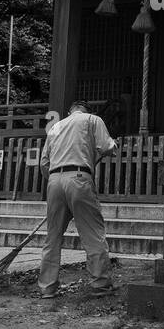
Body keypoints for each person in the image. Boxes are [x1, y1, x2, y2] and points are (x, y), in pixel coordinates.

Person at [37, 100, 119, 298]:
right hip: (79, 178)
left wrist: (57, 180)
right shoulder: (92, 120)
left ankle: (47, 287)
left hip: (55, 180)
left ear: (69, 111)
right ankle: (100, 284)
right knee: (92, 234)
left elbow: (44, 163)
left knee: (53, 236)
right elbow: (106, 147)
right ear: (85, 110)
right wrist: (114, 145)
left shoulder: (55, 126)